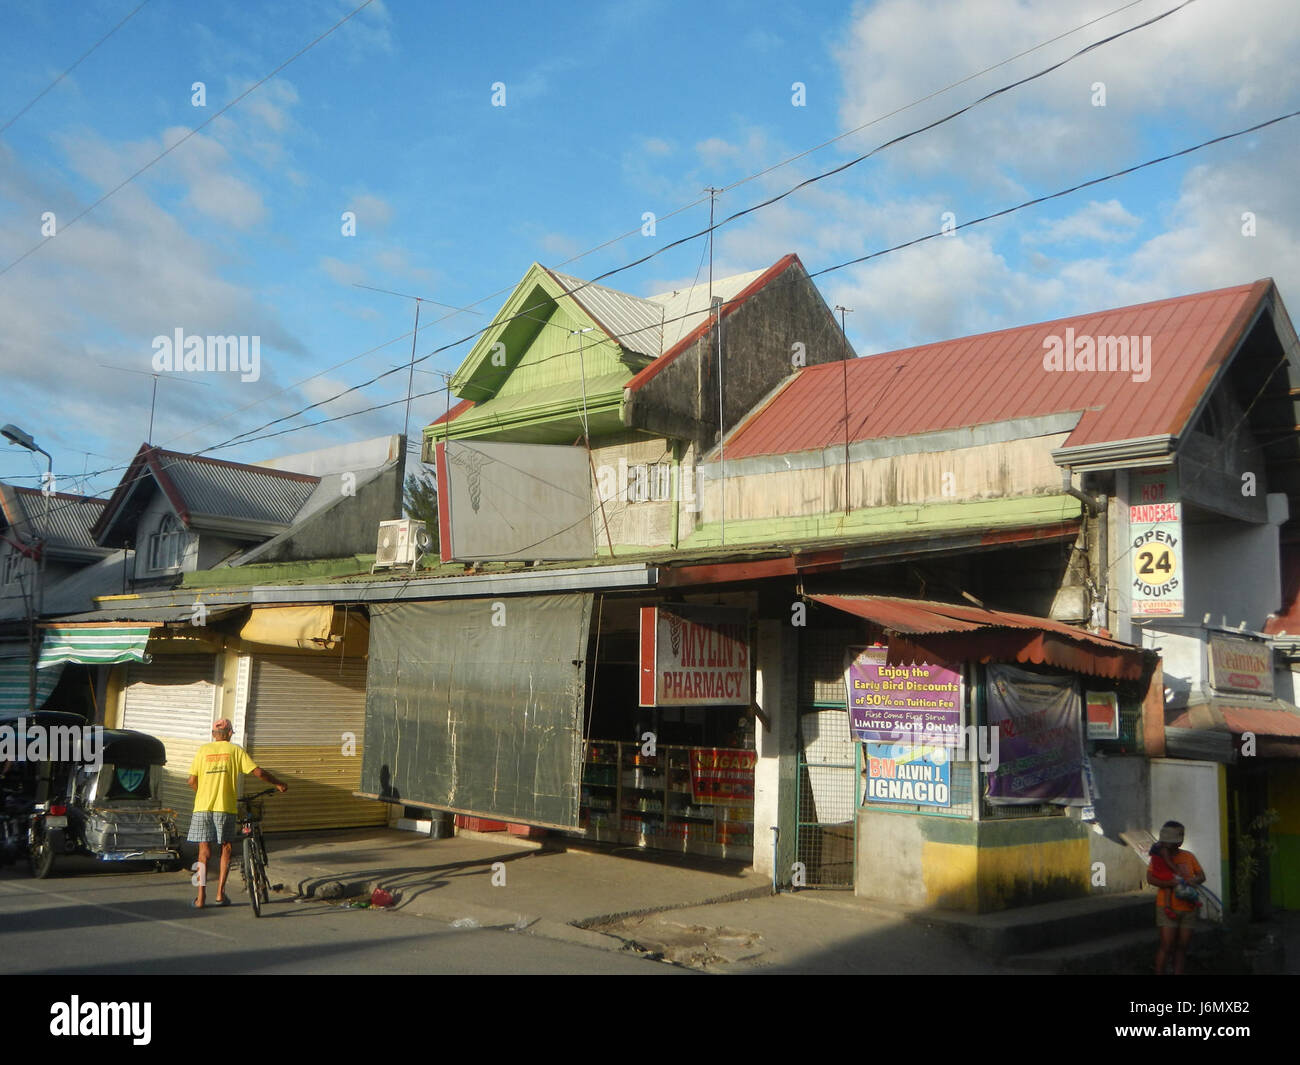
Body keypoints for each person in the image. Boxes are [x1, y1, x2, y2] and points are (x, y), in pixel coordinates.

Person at [186, 719, 287, 909]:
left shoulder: (203, 750)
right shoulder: (235, 750)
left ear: (214, 735)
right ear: (230, 733)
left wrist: (203, 793)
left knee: (203, 853)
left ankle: (200, 898)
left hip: (202, 807)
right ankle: (219, 894)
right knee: (226, 848)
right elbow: (257, 772)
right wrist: (278, 783)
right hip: (224, 807)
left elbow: (191, 780)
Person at [1146, 820, 1204, 975]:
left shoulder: (1188, 856)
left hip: (1188, 908)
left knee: (1182, 947)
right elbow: (1150, 879)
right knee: (1166, 946)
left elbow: (1201, 876)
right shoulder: (1158, 858)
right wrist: (1169, 883)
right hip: (1167, 908)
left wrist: (1194, 880)